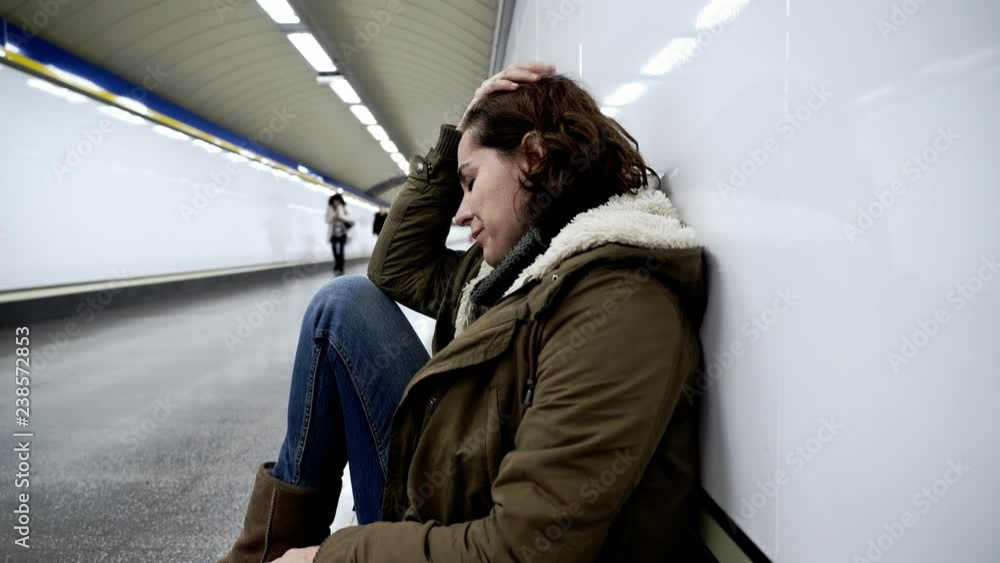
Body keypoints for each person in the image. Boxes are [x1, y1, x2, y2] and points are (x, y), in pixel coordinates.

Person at [216, 63, 712, 563]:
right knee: (342, 305)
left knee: (340, 302)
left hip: (466, 531)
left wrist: (332, 558)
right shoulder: (506, 274)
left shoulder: (616, 308)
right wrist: (464, 130)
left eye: (470, 182)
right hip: (455, 483)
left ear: (535, 157)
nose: (459, 210)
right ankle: (263, 556)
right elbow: (394, 267)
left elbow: (519, 552)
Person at [325, 194, 352, 275]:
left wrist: (341, 215)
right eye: (335, 201)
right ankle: (336, 265)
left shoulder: (344, 208)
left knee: (341, 251)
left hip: (343, 233)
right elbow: (327, 219)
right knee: (334, 250)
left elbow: (349, 218)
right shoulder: (330, 209)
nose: (336, 203)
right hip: (333, 234)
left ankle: (341, 267)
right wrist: (334, 217)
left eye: (338, 201)